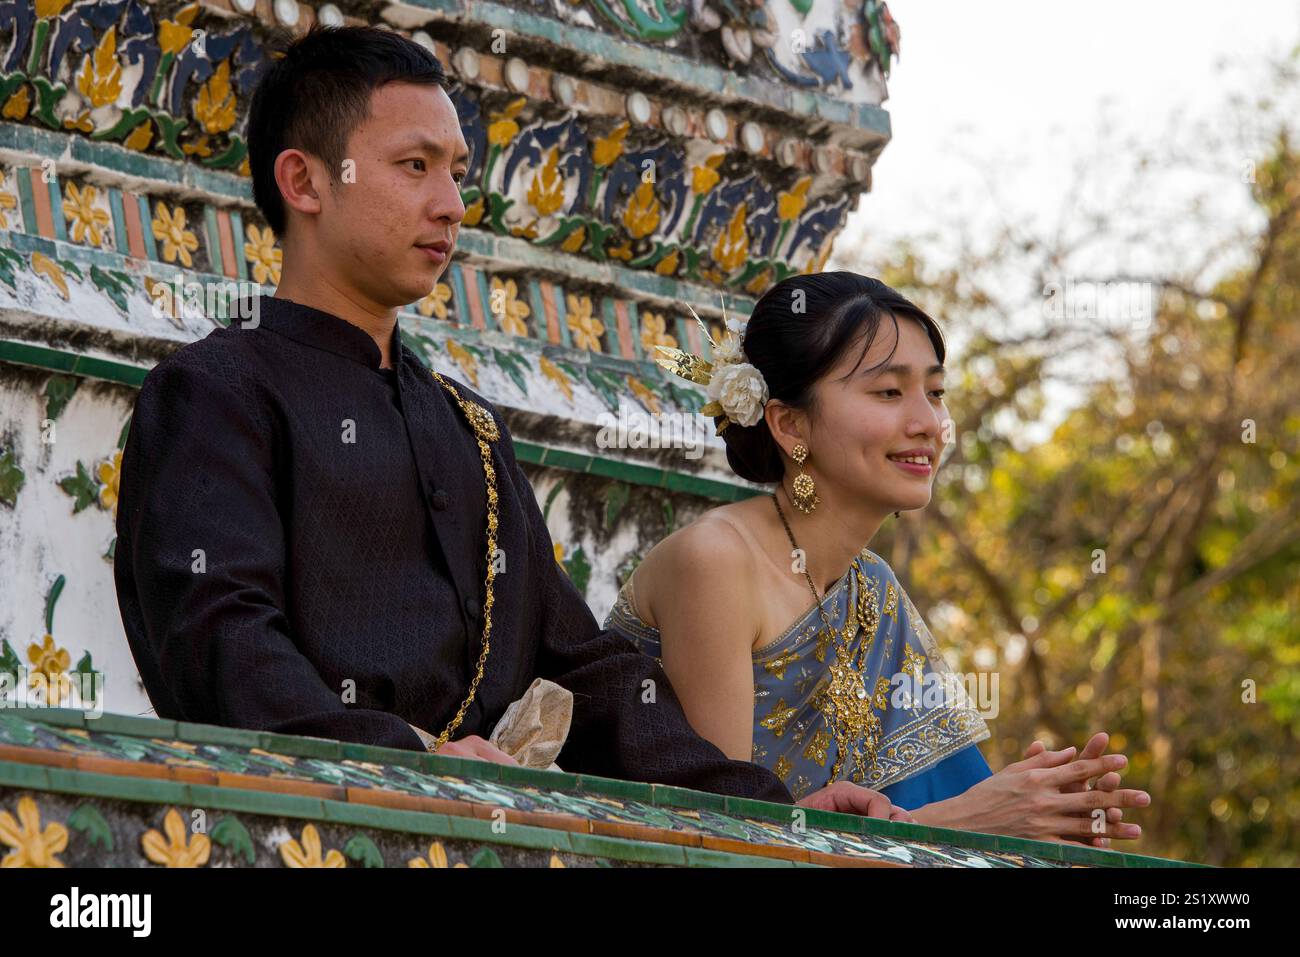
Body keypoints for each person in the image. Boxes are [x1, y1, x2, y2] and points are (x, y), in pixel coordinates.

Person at [112, 25, 913, 819]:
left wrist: (777, 811)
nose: (452, 205)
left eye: (457, 173)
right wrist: (414, 761)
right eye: (414, 166)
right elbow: (223, 649)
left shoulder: (470, 429)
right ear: (306, 181)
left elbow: (589, 675)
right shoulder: (214, 394)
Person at [607, 272, 1152, 845]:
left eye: (935, 393)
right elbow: (721, 837)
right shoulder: (715, 561)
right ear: (790, 425)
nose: (928, 424)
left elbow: (915, 805)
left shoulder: (872, 589)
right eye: (889, 392)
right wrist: (964, 823)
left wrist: (1026, 829)